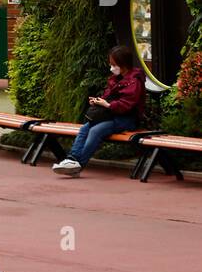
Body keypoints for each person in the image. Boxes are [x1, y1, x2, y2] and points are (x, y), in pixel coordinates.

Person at [53, 45, 146, 177]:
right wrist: (98, 101)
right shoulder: (116, 78)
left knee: (96, 130)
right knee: (86, 128)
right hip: (112, 115)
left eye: (114, 64)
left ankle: (78, 165)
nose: (111, 67)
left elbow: (127, 105)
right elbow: (108, 97)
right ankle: (72, 159)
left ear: (123, 64)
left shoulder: (134, 80)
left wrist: (107, 105)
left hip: (127, 119)